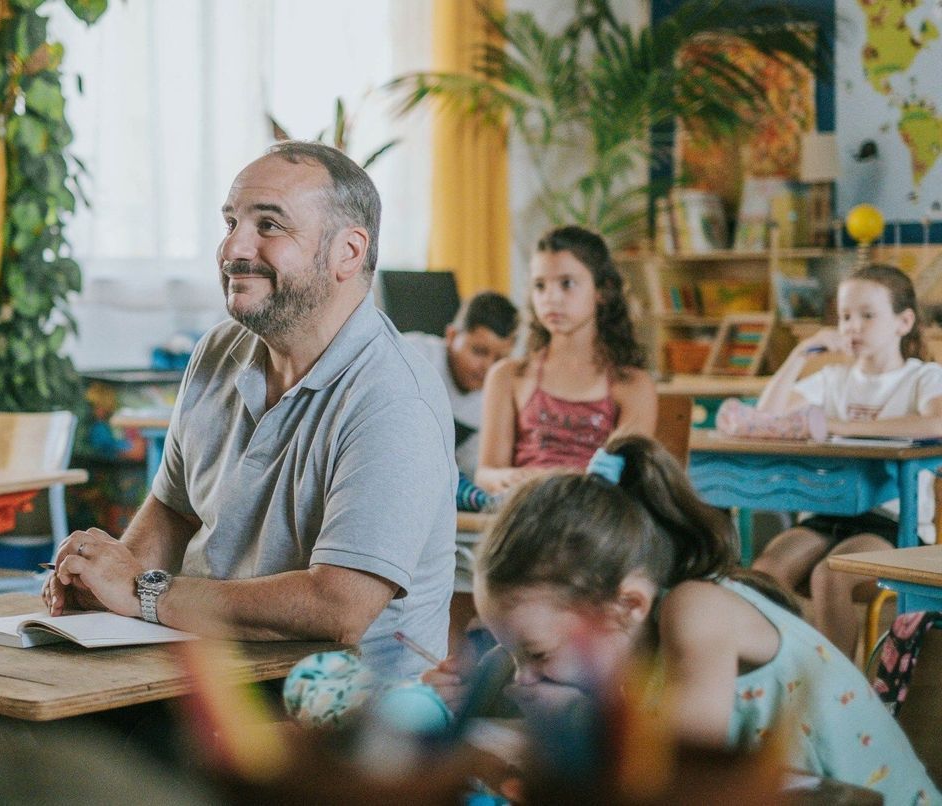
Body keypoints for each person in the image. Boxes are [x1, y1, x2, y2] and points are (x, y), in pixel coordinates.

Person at [45, 141, 457, 676]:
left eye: (269, 225)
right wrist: (104, 580)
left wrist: (143, 591)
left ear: (348, 252)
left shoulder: (394, 398)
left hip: (347, 710)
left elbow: (338, 608)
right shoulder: (218, 351)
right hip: (209, 677)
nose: (232, 248)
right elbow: (173, 510)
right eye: (231, 222)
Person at [428, 435, 940, 804]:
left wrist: (568, 720)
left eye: (537, 654)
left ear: (629, 605)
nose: (524, 677)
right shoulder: (629, 638)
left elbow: (676, 770)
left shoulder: (696, 611)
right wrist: (472, 700)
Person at [753, 263, 942, 654]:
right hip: (827, 515)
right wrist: (799, 355)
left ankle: (837, 684)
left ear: (904, 322)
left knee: (830, 575)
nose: (853, 327)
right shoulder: (832, 379)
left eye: (867, 315)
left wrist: (840, 425)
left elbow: (938, 422)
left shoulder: (922, 377)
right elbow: (766, 417)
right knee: (764, 573)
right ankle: (784, 671)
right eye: (845, 316)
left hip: (893, 524)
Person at [476, 226, 656, 495]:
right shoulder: (507, 376)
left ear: (602, 291)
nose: (550, 298)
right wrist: (506, 478)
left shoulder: (633, 385)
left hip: (595, 515)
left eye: (567, 284)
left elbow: (629, 483)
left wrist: (558, 484)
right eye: (540, 286)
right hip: (523, 510)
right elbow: (487, 472)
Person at [402, 291, 519, 479]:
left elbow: (470, 470)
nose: (488, 367)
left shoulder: (493, 404)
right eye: (479, 351)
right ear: (451, 336)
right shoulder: (410, 356)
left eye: (499, 359)